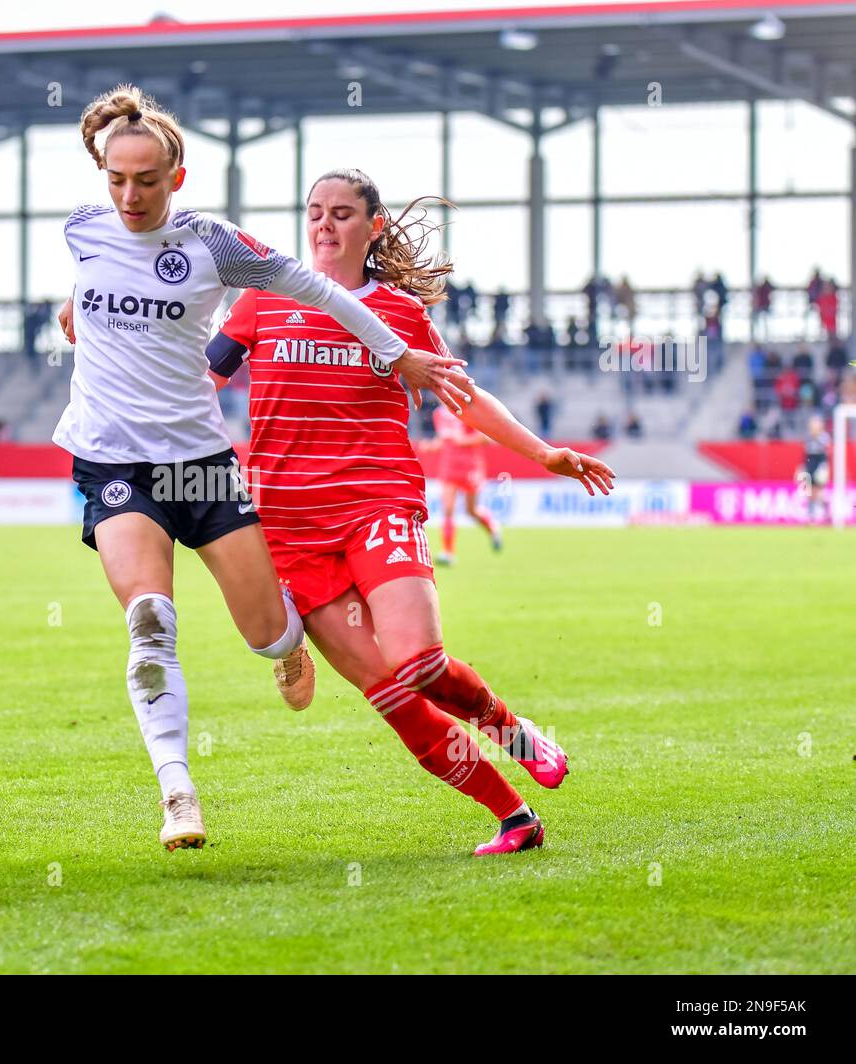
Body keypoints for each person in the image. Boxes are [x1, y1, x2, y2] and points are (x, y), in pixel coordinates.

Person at [51, 87, 472, 853]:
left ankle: (287, 651)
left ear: (175, 179)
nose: (129, 195)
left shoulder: (214, 245)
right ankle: (178, 793)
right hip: (115, 464)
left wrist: (395, 353)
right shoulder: (83, 230)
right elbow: (93, 282)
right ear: (102, 173)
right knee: (150, 623)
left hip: (203, 466)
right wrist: (72, 305)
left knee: (268, 633)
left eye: (146, 181)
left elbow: (314, 287)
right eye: (116, 180)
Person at [205, 167, 616, 856]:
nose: (325, 225)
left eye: (342, 213)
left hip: (377, 504)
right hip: (291, 533)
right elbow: (196, 381)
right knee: (393, 698)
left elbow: (466, 397)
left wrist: (543, 453)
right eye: (315, 212)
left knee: (419, 664)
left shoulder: (397, 313)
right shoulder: (261, 301)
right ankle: (516, 819)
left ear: (374, 226)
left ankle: (514, 731)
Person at [429, 404, 501, 565]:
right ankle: (448, 553)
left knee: (472, 510)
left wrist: (464, 440)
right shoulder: (438, 413)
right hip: (449, 467)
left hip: (470, 467)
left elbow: (486, 437)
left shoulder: (466, 410)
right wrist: (432, 446)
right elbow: (443, 439)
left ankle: (493, 528)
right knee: (447, 510)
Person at [799, 414, 832, 523]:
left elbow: (826, 453)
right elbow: (805, 454)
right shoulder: (808, 437)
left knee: (818, 489)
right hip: (810, 464)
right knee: (810, 490)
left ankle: (825, 511)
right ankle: (811, 515)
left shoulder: (824, 437)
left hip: (820, 464)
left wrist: (825, 467)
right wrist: (802, 466)